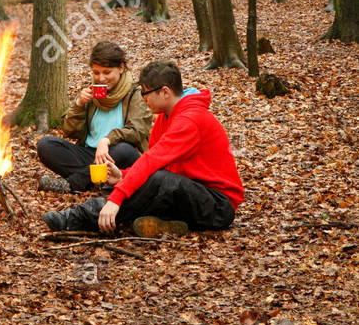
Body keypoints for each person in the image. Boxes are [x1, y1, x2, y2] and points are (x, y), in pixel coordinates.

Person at [44, 59, 244, 237]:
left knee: (160, 180)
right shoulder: (165, 118)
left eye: (145, 92)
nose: (142, 98)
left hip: (217, 206)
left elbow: (153, 162)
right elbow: (152, 163)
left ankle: (79, 218)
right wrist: (123, 176)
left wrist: (116, 198)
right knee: (155, 182)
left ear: (164, 92)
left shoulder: (191, 120)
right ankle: (167, 226)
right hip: (189, 195)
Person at [36, 40, 152, 192]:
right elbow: (69, 131)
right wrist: (79, 105)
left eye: (107, 72)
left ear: (121, 68)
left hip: (116, 155)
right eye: (96, 73)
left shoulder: (135, 94)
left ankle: (74, 184)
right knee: (45, 144)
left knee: (123, 150)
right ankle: (94, 178)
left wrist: (107, 140)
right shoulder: (91, 93)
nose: (101, 78)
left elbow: (137, 131)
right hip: (90, 153)